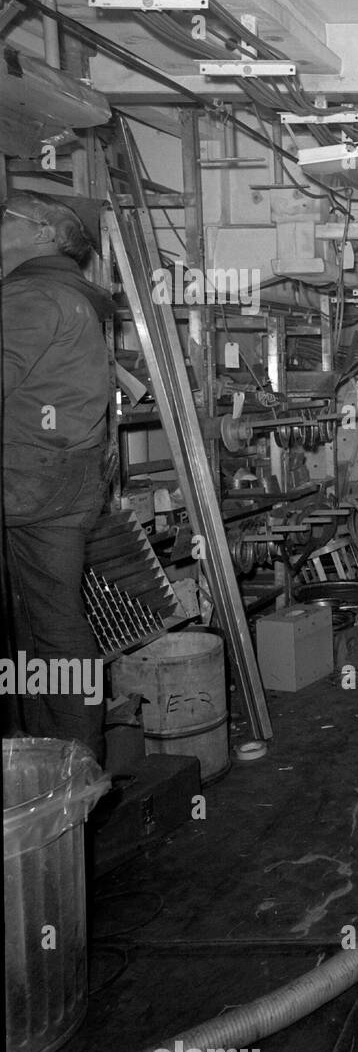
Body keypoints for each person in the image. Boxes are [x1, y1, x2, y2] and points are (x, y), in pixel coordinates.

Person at [1, 191, 115, 759]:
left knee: (47, 627)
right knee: (56, 623)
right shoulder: (75, 298)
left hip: (24, 480)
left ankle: (52, 764)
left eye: (5, 219)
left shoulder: (28, 296)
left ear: (43, 234)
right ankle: (70, 759)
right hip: (68, 480)